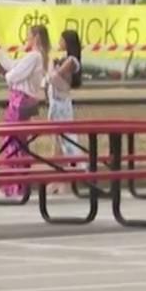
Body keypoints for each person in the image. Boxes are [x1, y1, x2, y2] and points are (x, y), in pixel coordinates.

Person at [0, 25, 50, 198]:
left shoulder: (33, 57)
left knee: (12, 142)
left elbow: (14, 74)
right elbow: (13, 66)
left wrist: (6, 77)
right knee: (19, 143)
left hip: (19, 101)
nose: (26, 39)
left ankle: (12, 186)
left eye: (29, 36)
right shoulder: (36, 57)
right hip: (23, 100)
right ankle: (18, 185)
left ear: (36, 37)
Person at [46, 29, 83, 195]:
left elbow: (55, 77)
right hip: (56, 103)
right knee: (57, 142)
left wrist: (50, 66)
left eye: (61, 40)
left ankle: (65, 180)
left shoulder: (71, 60)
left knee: (65, 141)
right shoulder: (63, 59)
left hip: (62, 104)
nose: (59, 42)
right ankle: (57, 179)